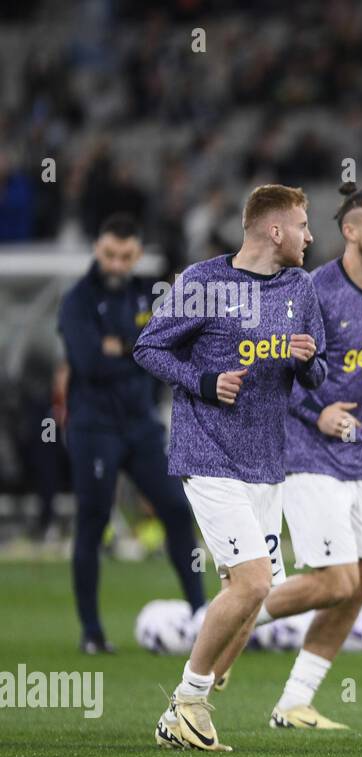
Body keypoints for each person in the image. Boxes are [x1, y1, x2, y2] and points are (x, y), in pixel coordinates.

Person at [208, 183, 362, 730]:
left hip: (355, 453)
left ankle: (293, 700)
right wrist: (315, 412)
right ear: (350, 232)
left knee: (361, 583)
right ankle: (234, 618)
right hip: (304, 450)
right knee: (333, 581)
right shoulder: (312, 289)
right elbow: (276, 371)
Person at [133, 184, 326, 751]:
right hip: (209, 452)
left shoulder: (301, 288)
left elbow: (315, 377)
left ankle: (202, 687)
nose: (311, 237)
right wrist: (202, 381)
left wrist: (308, 362)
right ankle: (186, 703)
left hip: (267, 462)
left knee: (250, 597)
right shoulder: (203, 283)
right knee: (253, 582)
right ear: (274, 231)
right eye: (302, 226)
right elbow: (150, 346)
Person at [57, 213, 205, 654]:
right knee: (94, 521)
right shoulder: (77, 300)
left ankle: (200, 617)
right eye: (109, 255)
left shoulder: (148, 293)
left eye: (125, 256)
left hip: (141, 426)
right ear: (97, 252)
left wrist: (122, 346)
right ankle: (92, 632)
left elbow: (166, 352)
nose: (117, 264)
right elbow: (88, 364)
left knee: (178, 511)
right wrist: (138, 347)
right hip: (93, 427)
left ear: (137, 254)